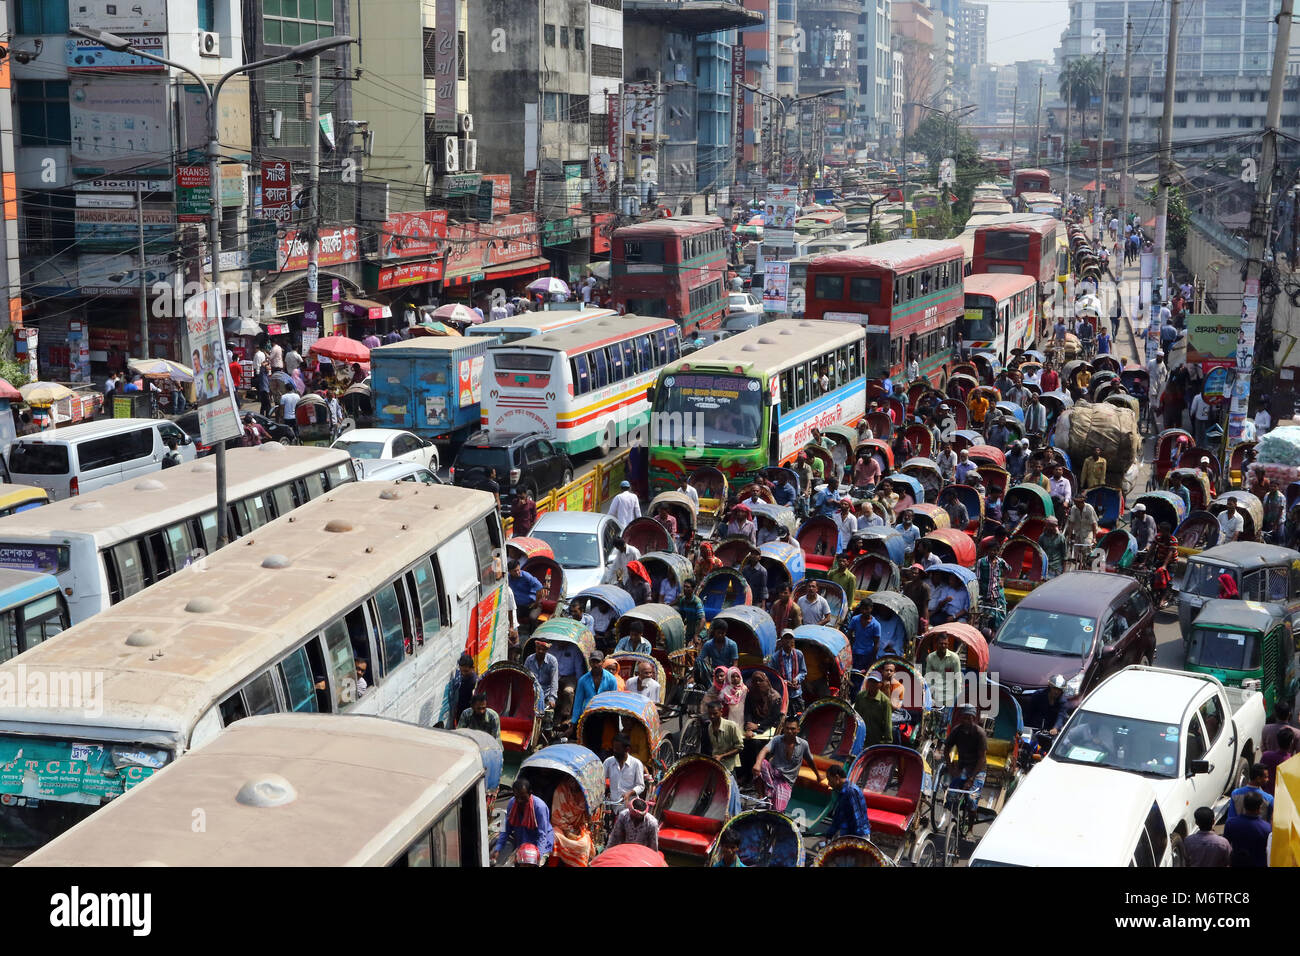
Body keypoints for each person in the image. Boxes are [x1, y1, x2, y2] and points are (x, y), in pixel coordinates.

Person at [754, 715, 822, 811]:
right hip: (773, 773)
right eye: (787, 728)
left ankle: (771, 797)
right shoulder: (777, 740)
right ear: (783, 729)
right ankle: (762, 797)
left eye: (792, 729)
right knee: (762, 762)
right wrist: (757, 764)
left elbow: (810, 761)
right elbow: (764, 750)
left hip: (786, 781)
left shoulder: (803, 744)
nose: (789, 731)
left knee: (778, 809)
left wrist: (818, 776)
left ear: (798, 730)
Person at [494, 778, 554, 865]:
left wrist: (537, 858)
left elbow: (542, 835)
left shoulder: (539, 807)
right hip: (522, 842)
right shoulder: (512, 803)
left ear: (530, 793)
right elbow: (506, 827)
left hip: (540, 844)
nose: (519, 801)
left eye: (523, 798)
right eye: (516, 797)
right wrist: (498, 848)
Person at [943, 705, 988, 809]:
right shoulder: (957, 730)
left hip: (978, 770)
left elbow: (981, 758)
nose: (966, 721)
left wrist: (971, 779)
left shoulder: (980, 733)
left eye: (969, 718)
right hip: (962, 767)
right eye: (964, 717)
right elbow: (946, 750)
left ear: (974, 718)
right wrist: (951, 768)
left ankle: (971, 821)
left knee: (972, 800)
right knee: (950, 797)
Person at [823, 763, 872, 840]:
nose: (829, 784)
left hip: (859, 836)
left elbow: (858, 820)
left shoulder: (851, 792)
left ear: (837, 778)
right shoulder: (842, 792)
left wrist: (853, 840)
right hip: (849, 835)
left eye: (830, 780)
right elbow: (838, 817)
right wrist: (829, 835)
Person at [1224, 791, 1271, 867]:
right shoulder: (1266, 828)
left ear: (1244, 806)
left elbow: (1226, 845)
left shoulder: (1231, 823)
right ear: (1259, 807)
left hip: (1237, 863)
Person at [768, 629, 808, 713]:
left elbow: (803, 671)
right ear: (781, 640)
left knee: (799, 717)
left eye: (790, 638)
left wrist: (797, 679)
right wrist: (785, 682)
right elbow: (773, 676)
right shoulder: (775, 657)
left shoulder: (799, 654)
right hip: (783, 694)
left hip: (797, 693)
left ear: (793, 640)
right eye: (786, 638)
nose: (788, 641)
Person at [604, 733, 650, 806]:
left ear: (627, 749)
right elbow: (601, 780)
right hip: (613, 804)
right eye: (614, 748)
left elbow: (641, 786)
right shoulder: (608, 762)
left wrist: (629, 793)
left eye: (618, 749)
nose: (614, 752)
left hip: (630, 805)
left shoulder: (636, 764)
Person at [571, 652, 619, 723]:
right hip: (587, 715)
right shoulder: (583, 680)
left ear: (603, 662)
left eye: (598, 662)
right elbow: (578, 702)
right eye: (593, 662)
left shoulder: (611, 679)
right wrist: (574, 721)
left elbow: (613, 701)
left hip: (605, 715)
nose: (595, 665)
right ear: (590, 662)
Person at [853, 670, 893, 747]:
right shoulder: (860, 696)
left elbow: (888, 723)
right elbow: (855, 716)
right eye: (870, 681)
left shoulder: (885, 701)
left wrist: (887, 742)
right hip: (861, 737)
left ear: (880, 684)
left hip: (876, 739)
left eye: (875, 682)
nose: (872, 684)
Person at [704, 699, 744, 774]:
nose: (712, 716)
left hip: (729, 765)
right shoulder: (709, 727)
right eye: (710, 714)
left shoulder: (732, 726)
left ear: (721, 712)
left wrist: (722, 756)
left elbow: (739, 747)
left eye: (715, 713)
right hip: (716, 763)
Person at [925, 631, 964, 709]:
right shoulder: (930, 657)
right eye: (941, 643)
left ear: (948, 644)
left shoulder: (954, 658)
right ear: (936, 644)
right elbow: (928, 679)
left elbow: (958, 679)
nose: (943, 646)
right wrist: (929, 696)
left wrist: (957, 699)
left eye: (945, 644)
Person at [524, 640, 559, 722]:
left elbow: (554, 680)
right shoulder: (529, 660)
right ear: (535, 648)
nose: (540, 651)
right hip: (532, 693)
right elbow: (524, 677)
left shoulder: (552, 661)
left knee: (547, 720)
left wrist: (552, 698)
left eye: (543, 649)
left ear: (547, 650)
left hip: (546, 694)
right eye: (538, 648)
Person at [696, 619, 740, 684]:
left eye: (722, 633)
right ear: (714, 632)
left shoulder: (732, 644)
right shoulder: (708, 644)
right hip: (714, 673)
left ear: (725, 632)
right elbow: (700, 659)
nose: (720, 635)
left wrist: (730, 674)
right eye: (718, 633)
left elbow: (735, 664)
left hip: (728, 672)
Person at [508, 559, 544, 628]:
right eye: (515, 571)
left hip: (532, 605)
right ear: (510, 572)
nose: (518, 572)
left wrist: (536, 603)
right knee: (511, 617)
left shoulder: (526, 576)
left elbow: (539, 588)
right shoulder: (508, 578)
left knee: (533, 617)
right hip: (518, 606)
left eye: (518, 570)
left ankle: (533, 633)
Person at [848, 600, 882, 671]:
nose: (864, 611)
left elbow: (876, 644)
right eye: (862, 609)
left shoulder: (876, 625)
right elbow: (849, 634)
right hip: (854, 653)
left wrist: (872, 660)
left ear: (871, 609)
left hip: (867, 656)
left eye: (866, 609)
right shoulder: (855, 619)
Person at [448, 653, 478, 726]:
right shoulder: (465, 677)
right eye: (461, 671)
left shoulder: (474, 682)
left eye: (466, 671)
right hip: (461, 712)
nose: (463, 673)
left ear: (472, 668)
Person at [675, 578, 705, 643]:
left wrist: (696, 635)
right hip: (689, 631)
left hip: (699, 631)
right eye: (684, 587)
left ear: (693, 589)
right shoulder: (683, 601)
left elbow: (702, 620)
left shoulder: (697, 602)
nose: (685, 589)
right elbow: (682, 617)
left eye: (688, 587)